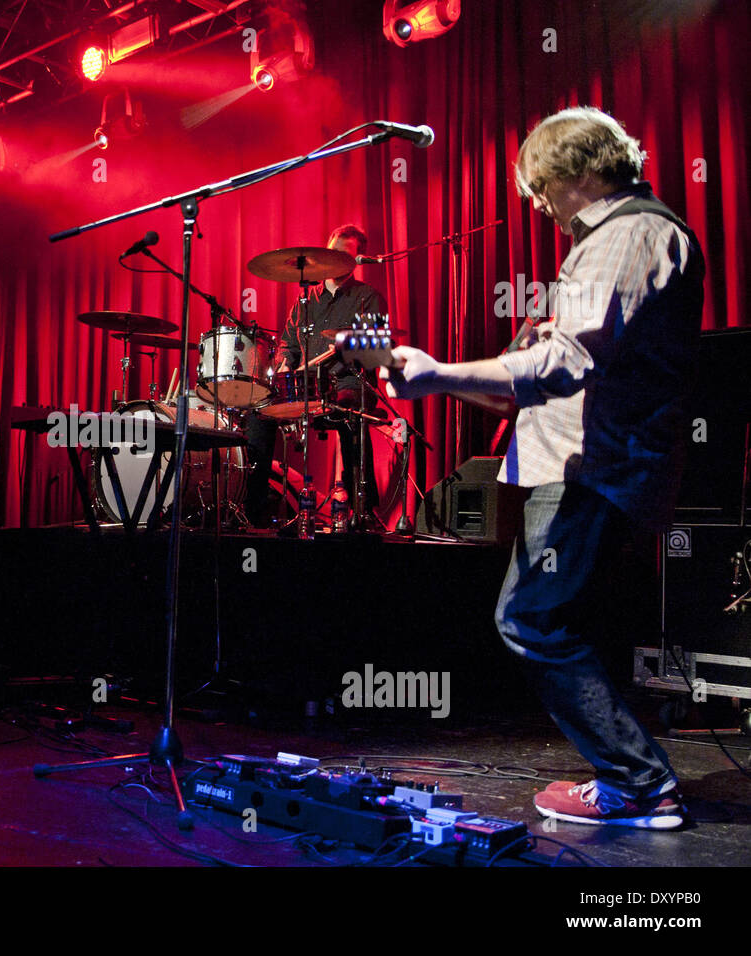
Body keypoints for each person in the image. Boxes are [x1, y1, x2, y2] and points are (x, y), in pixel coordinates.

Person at [381, 106, 704, 828]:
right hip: (591, 464)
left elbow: (566, 363)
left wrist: (437, 375)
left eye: (541, 188)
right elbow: (535, 383)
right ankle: (627, 777)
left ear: (581, 172)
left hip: (595, 470)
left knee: (529, 620)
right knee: (558, 620)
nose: (537, 205)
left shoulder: (629, 235)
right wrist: (438, 377)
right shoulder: (627, 238)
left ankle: (641, 785)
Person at [242, 225, 388, 527]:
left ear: (357, 259)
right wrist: (284, 363)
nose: (336, 258)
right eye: (333, 251)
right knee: (258, 413)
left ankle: (363, 509)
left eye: (344, 254)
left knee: (350, 412)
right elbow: (288, 345)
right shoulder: (305, 302)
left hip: (347, 385)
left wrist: (349, 347)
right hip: (304, 389)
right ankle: (253, 510)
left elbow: (378, 350)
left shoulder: (367, 297)